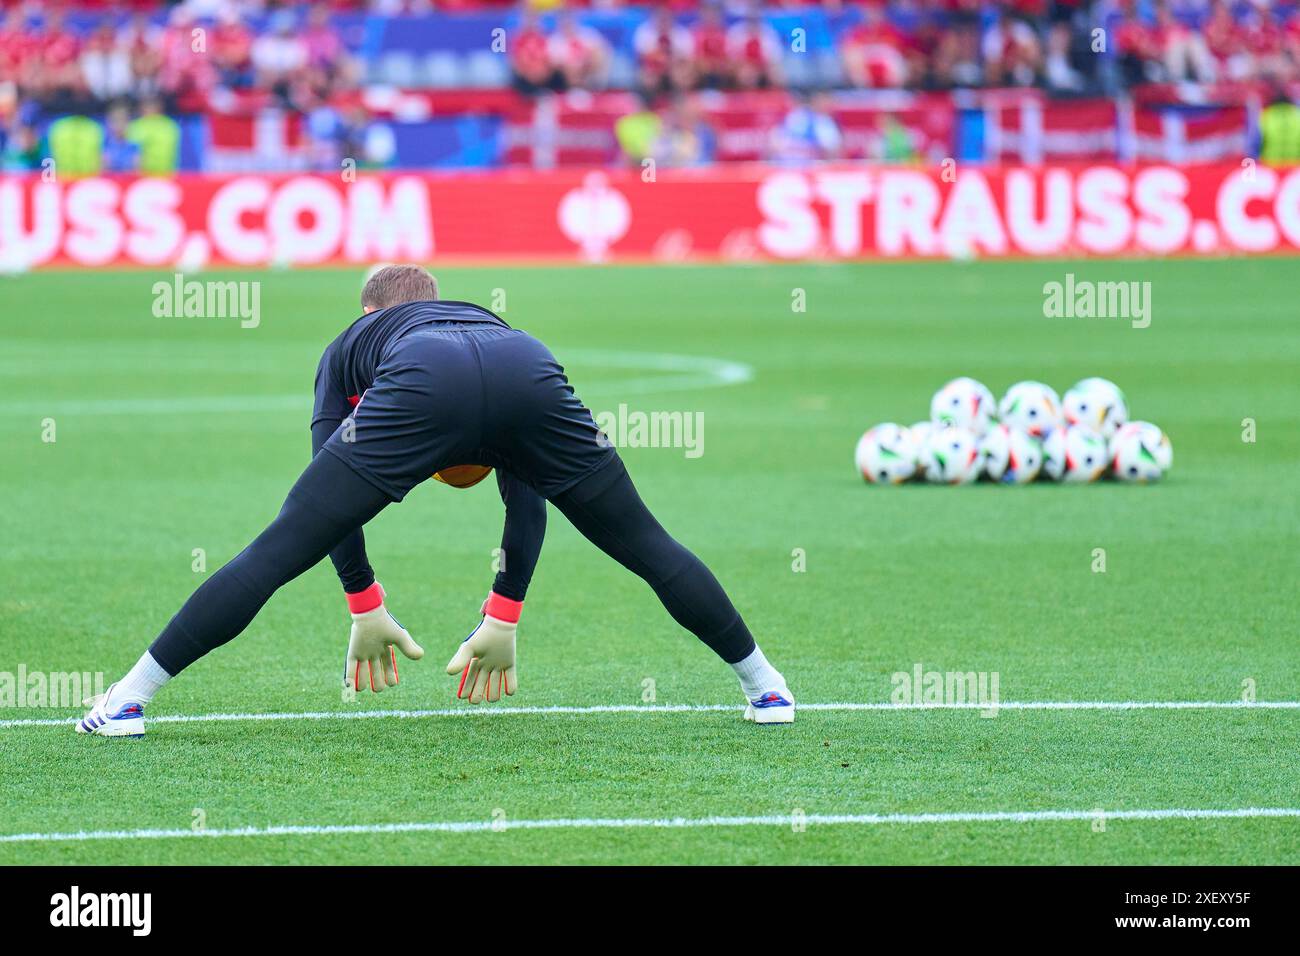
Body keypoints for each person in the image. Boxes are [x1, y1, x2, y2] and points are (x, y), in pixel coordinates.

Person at [77, 266, 795, 738]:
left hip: (425, 379)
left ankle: (127, 701)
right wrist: (503, 613)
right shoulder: (494, 323)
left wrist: (363, 599)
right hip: (528, 365)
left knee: (276, 550)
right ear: (434, 297)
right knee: (646, 543)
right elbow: (525, 491)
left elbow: (324, 498)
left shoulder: (353, 340)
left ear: (369, 311)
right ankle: (768, 690)